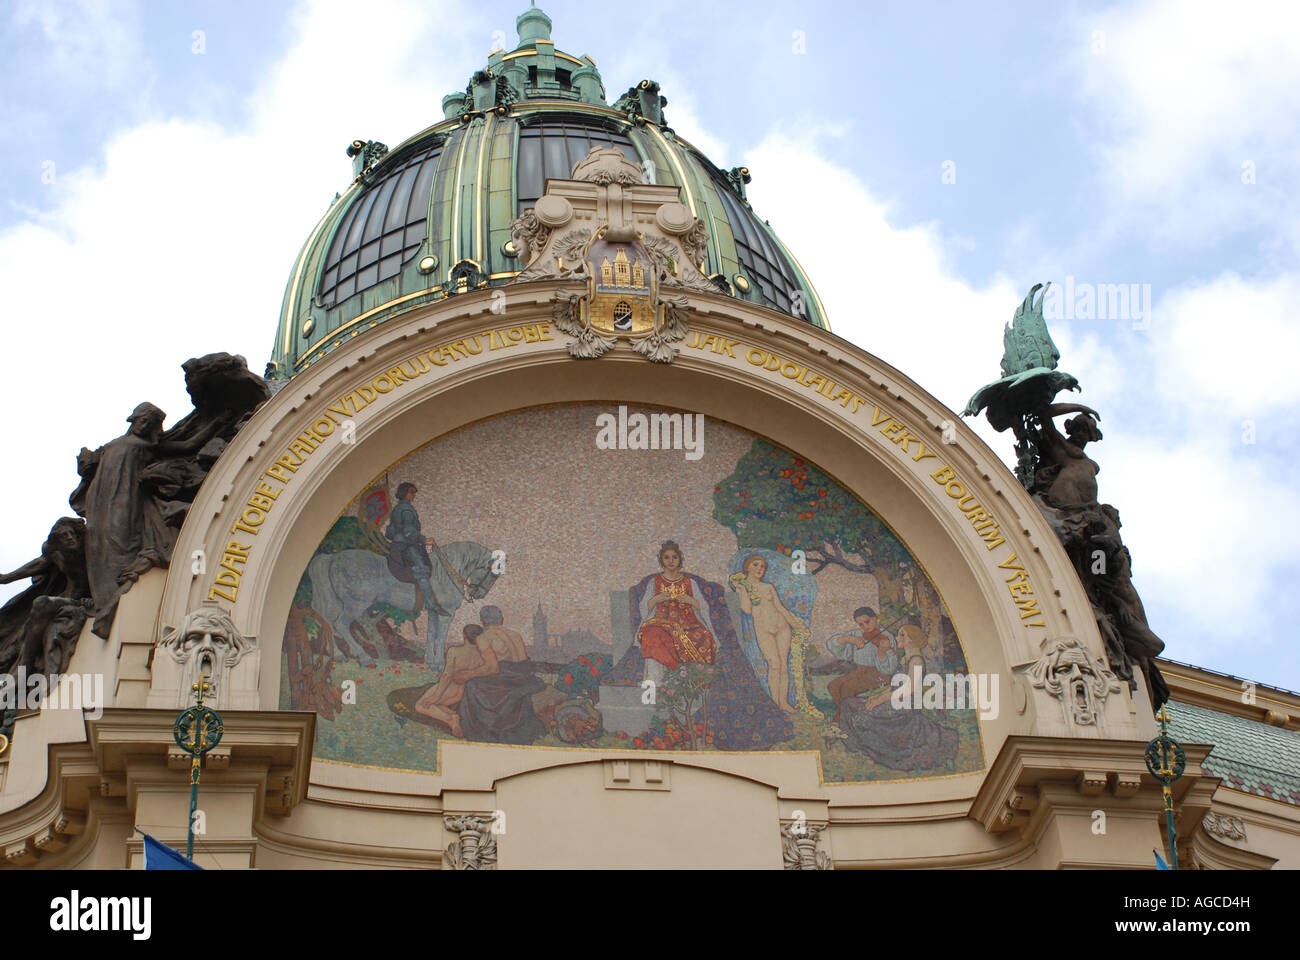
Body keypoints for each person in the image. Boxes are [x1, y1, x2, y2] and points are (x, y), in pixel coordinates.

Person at [729, 554, 805, 712]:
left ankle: (783, 702)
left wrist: (797, 626)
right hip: (764, 630)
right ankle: (774, 704)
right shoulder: (743, 587)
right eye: (755, 565)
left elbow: (780, 608)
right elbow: (747, 610)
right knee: (774, 664)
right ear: (747, 567)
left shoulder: (768, 587)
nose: (759, 569)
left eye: (762, 567)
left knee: (783, 666)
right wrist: (742, 590)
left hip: (782, 628)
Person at [635, 541, 717, 686]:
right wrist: (657, 599)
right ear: (662, 560)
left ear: (680, 559)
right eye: (667, 557)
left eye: (674, 557)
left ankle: (691, 681)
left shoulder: (689, 582)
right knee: (651, 634)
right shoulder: (655, 582)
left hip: (688, 622)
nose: (671, 561)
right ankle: (659, 680)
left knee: (704, 636)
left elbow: (703, 606)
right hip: (660, 621)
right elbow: (644, 607)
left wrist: (690, 600)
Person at [414, 624, 497, 737]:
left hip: (450, 688)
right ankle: (453, 716)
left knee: (420, 705)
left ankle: (449, 719)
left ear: (464, 636)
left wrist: (436, 696)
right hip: (461, 693)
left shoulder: (454, 651)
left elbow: (447, 675)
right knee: (439, 706)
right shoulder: (482, 654)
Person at [825, 608, 898, 720]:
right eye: (861, 624)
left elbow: (889, 669)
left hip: (879, 675)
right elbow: (831, 643)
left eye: (867, 621)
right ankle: (845, 714)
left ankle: (842, 718)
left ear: (875, 618)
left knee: (847, 688)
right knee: (833, 686)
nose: (865, 626)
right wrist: (849, 639)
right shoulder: (857, 634)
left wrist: (882, 651)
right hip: (859, 672)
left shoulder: (886, 637)